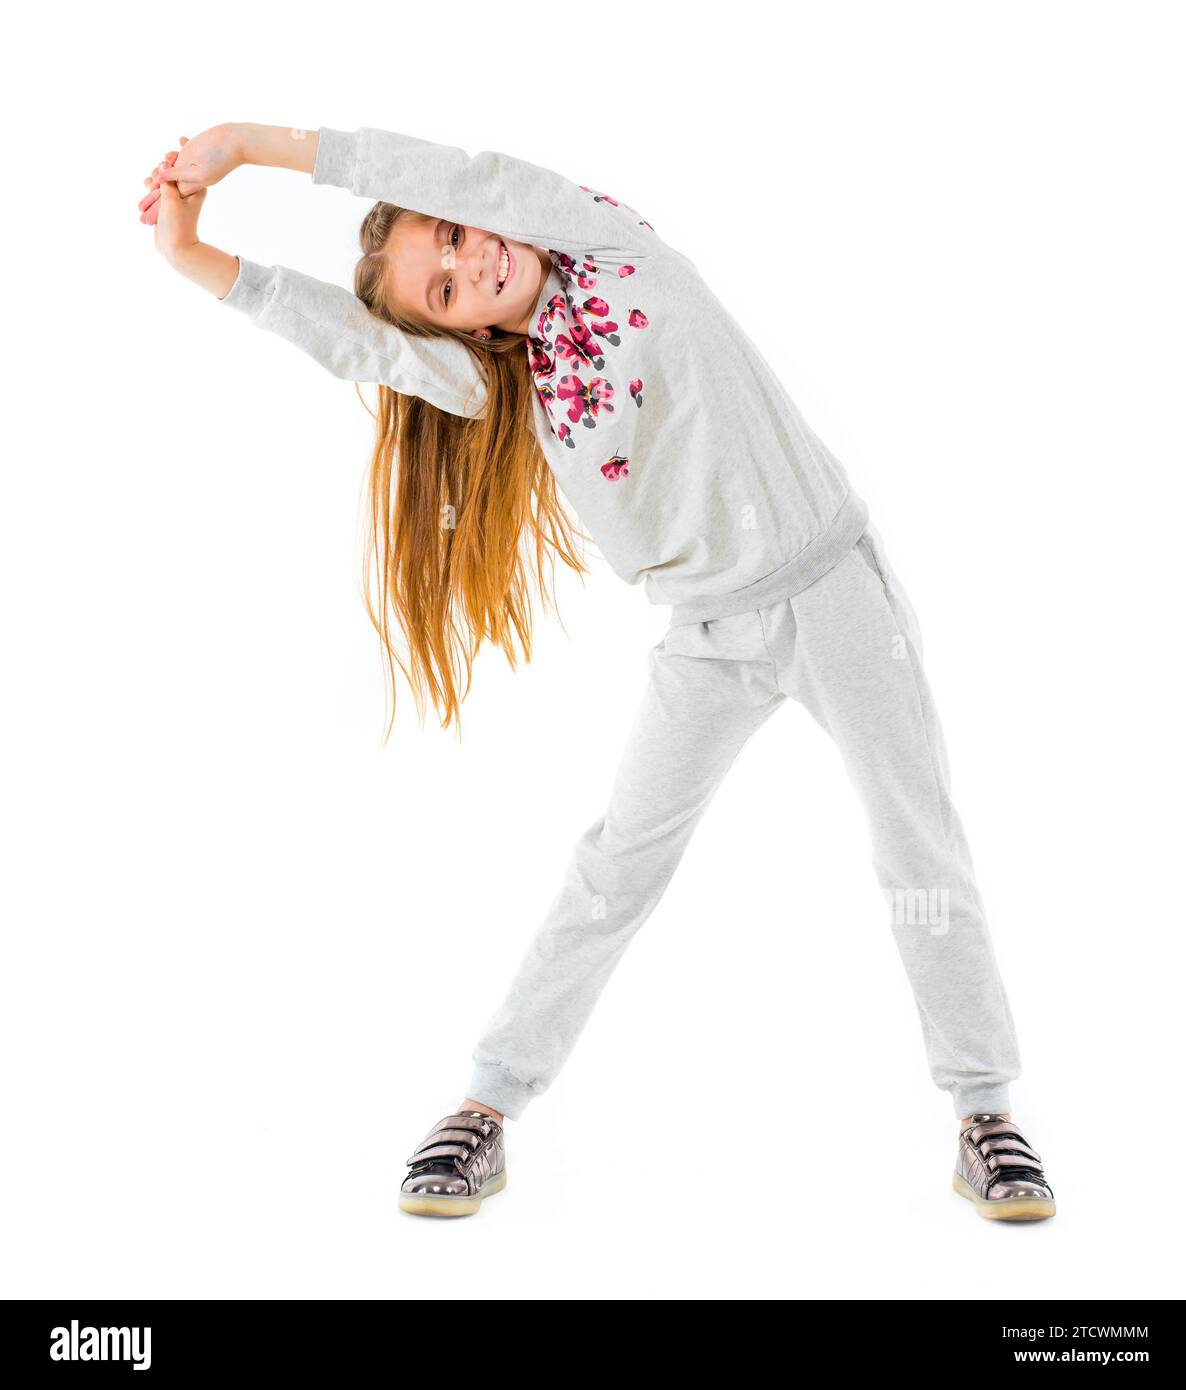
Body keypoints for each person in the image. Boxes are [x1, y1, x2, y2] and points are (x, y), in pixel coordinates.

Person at [140, 122, 1056, 1222]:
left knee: (916, 846)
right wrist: (193, 256)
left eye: (453, 235)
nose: (470, 261)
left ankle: (983, 1112)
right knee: (614, 868)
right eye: (443, 289)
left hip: (834, 597)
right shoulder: (504, 384)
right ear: (464, 330)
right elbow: (358, 343)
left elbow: (456, 175)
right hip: (706, 638)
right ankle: (487, 1105)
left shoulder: (605, 246)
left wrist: (249, 145)